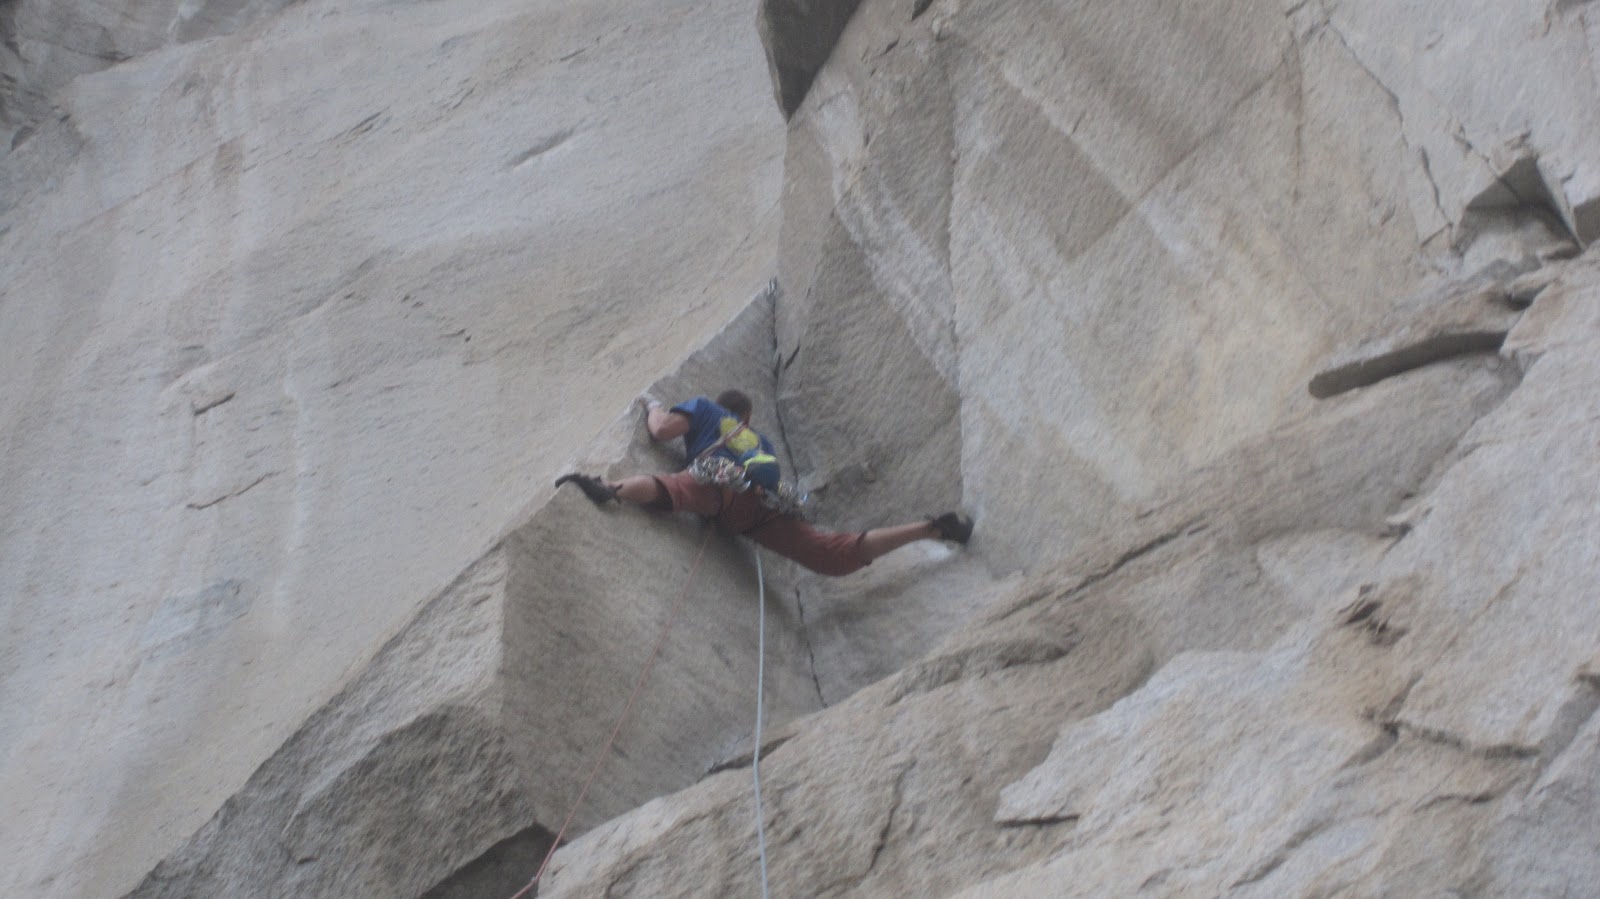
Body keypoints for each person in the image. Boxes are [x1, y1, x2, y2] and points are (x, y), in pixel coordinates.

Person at [556, 389, 973, 576]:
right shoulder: (759, 440)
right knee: (828, 552)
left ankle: (612, 490)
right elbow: (769, 477)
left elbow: (662, 429)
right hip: (758, 503)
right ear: (747, 417)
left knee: (676, 488)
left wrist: (652, 404)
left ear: (720, 407)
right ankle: (931, 528)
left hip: (717, 481)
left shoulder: (703, 409)